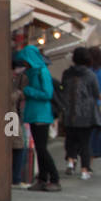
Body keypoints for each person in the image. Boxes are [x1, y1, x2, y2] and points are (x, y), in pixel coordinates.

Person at [15, 43, 62, 192]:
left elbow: (47, 94)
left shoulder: (42, 72)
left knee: (42, 149)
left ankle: (54, 178)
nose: (24, 63)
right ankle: (42, 179)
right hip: (35, 114)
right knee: (40, 149)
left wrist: (28, 91)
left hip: (42, 114)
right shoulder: (32, 72)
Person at [61, 46, 101, 181]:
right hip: (86, 114)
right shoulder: (90, 75)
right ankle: (85, 170)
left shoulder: (66, 73)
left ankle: (70, 161)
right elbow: (96, 93)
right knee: (85, 143)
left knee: (70, 138)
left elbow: (63, 88)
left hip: (69, 112)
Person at [11, 62, 32, 189]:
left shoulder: (18, 78)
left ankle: (16, 178)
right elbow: (7, 98)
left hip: (13, 115)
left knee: (17, 146)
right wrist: (18, 93)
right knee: (17, 146)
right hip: (10, 117)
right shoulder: (5, 78)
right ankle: (16, 179)